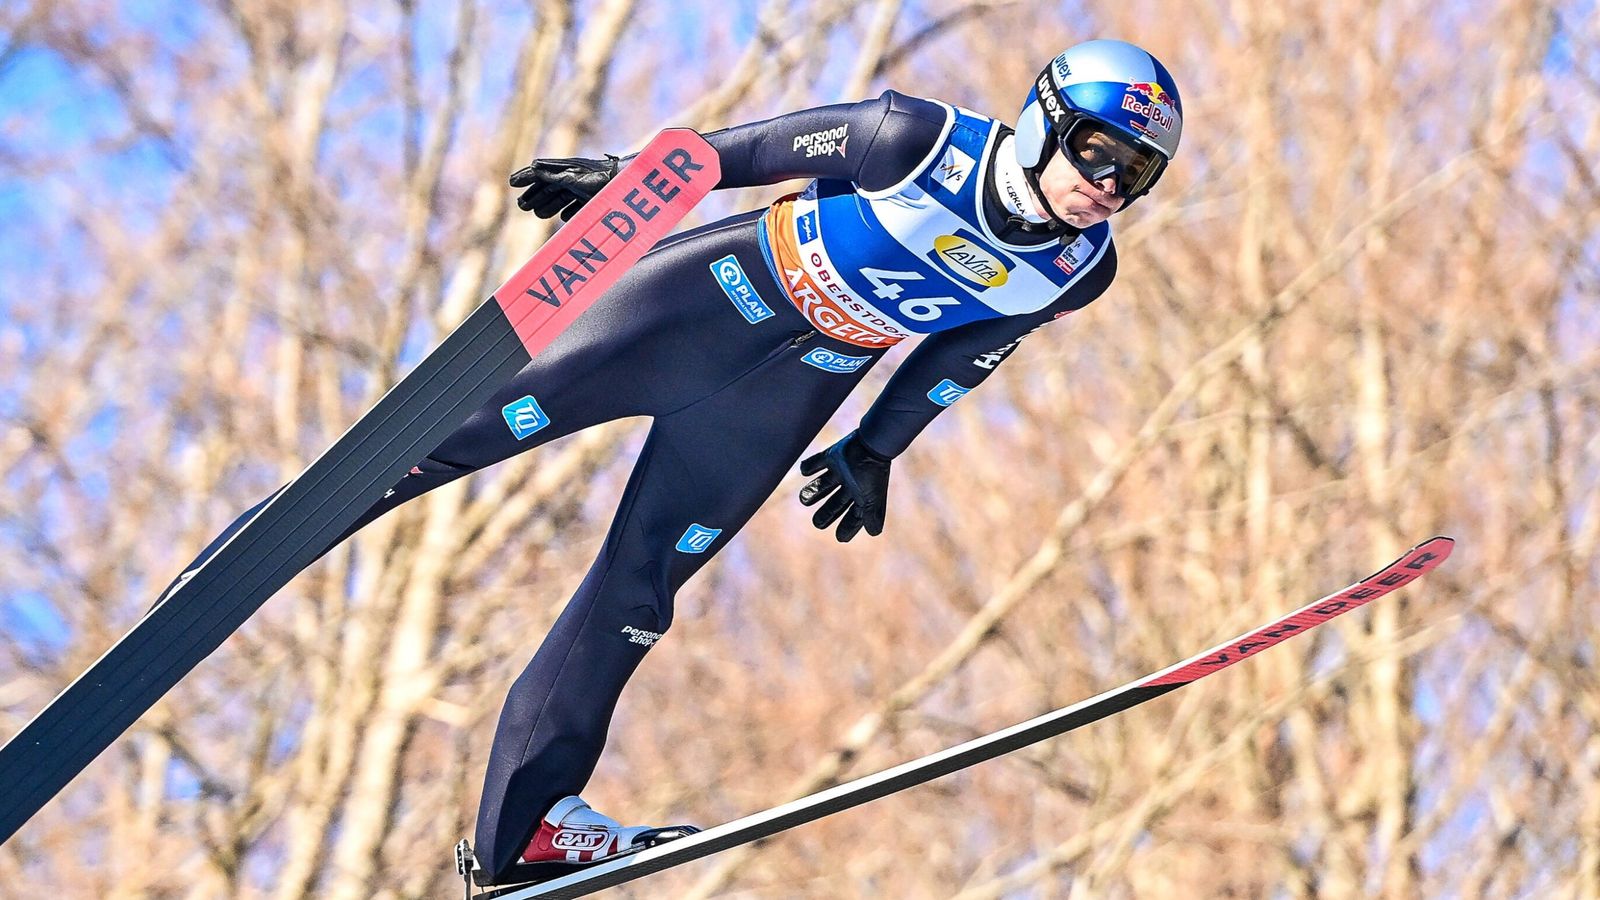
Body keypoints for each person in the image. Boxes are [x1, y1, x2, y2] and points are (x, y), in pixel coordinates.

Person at [168, 38, 1183, 886]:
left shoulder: (1076, 271)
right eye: (1097, 152)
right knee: (441, 439)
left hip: (786, 393)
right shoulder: (915, 139)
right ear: (1044, 118)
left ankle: (525, 829)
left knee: (641, 591)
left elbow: (962, 357)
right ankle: (223, 576)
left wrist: (876, 448)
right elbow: (749, 150)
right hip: (702, 303)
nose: (1105, 187)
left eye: (1133, 175)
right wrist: (627, 178)